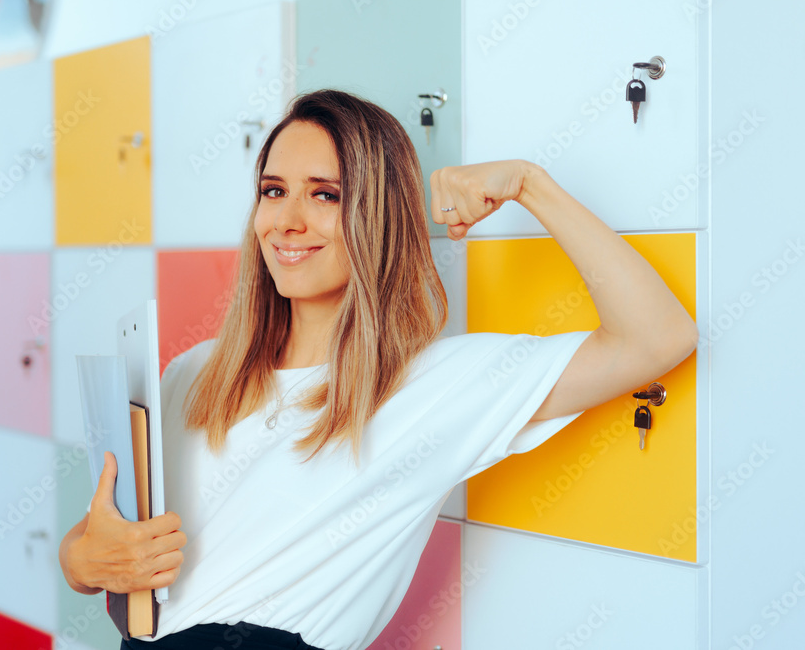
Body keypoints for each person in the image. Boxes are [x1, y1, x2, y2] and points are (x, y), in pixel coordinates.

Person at [58, 89, 698, 650]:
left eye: (325, 196)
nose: (288, 220)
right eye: (273, 191)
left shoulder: (430, 387)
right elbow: (99, 547)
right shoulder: (195, 374)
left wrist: (532, 185)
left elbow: (657, 337)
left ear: (378, 215)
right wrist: (83, 562)